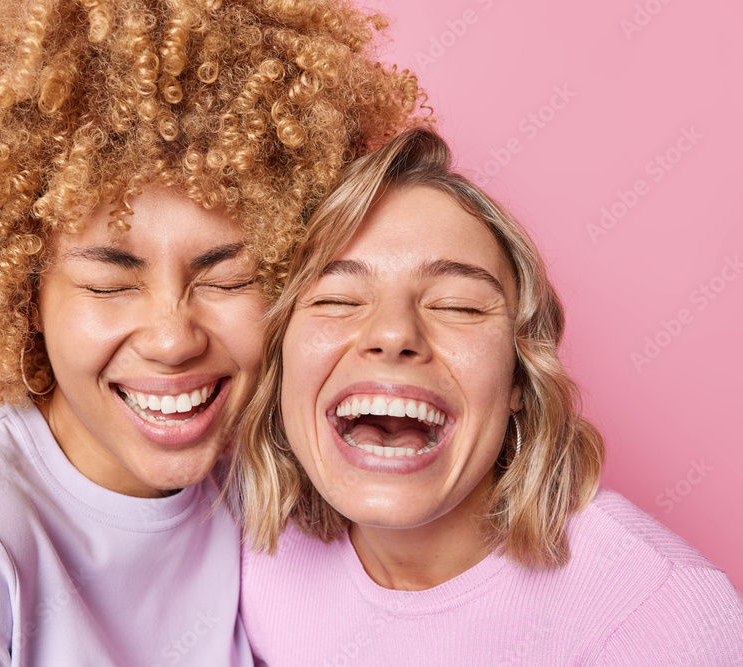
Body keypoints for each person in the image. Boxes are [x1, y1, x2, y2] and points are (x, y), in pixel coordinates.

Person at [0, 0, 423, 664]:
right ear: (24, 295)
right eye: (109, 284)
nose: (173, 339)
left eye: (228, 279)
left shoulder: (272, 476)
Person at [230, 127, 743, 665]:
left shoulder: (660, 616)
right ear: (281, 360)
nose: (393, 333)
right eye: (336, 298)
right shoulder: (241, 551)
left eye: (458, 306)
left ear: (521, 377)